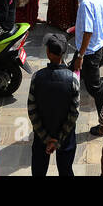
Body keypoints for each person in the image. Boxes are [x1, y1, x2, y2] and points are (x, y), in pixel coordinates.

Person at [27, 33, 80, 176]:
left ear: (48, 53)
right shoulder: (73, 79)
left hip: (41, 136)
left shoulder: (37, 78)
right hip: (66, 138)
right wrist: (59, 139)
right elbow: (74, 113)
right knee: (66, 171)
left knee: (38, 171)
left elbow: (32, 110)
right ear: (64, 53)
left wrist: (46, 138)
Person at [71, 0, 103, 133]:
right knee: (70, 76)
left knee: (95, 88)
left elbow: (88, 31)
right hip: (93, 46)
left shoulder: (86, 3)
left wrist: (80, 56)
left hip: (89, 52)